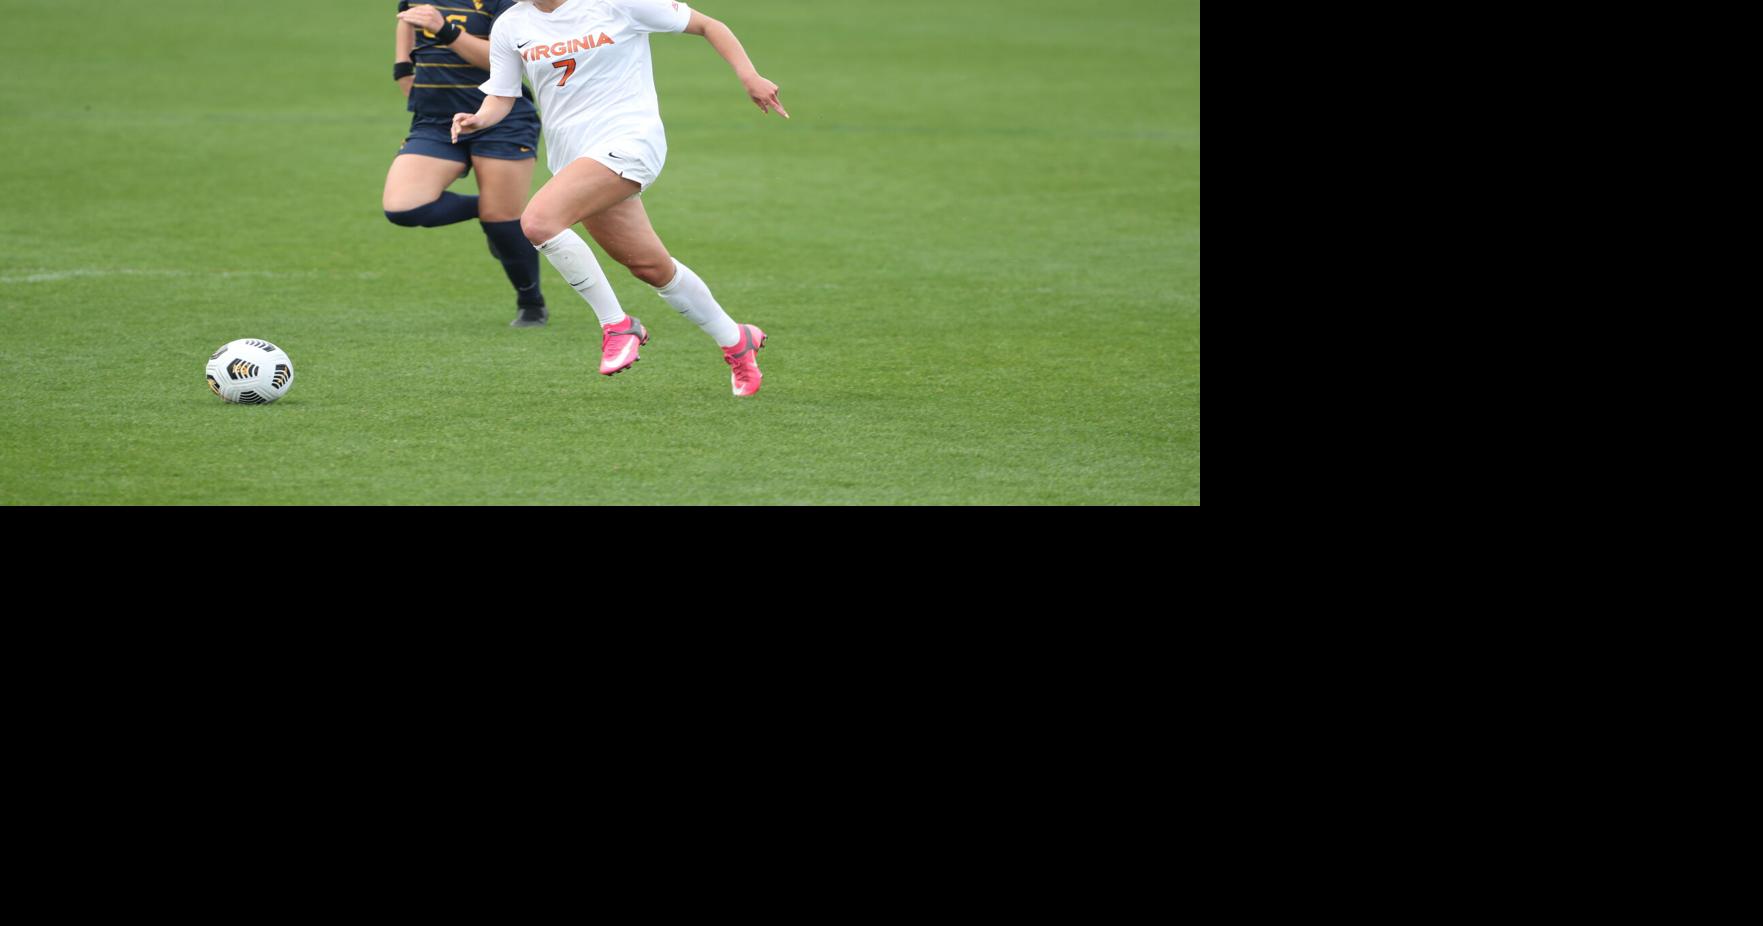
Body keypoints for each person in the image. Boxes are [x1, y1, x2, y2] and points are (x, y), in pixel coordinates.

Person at [452, 0, 788, 396]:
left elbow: (709, 25)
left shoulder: (617, 3)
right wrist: (479, 119)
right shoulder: (511, 23)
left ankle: (618, 325)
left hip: (631, 140)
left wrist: (750, 76)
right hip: (575, 158)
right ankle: (736, 340)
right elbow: (502, 96)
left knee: (539, 221)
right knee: (650, 267)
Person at [386, 1, 550, 327]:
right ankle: (491, 207)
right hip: (434, 120)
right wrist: (403, 70)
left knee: (502, 222)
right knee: (403, 208)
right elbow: (407, 18)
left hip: (502, 119)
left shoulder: (506, 4)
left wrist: (445, 30)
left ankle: (531, 303)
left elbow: (506, 62)